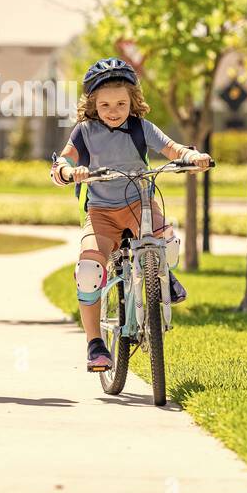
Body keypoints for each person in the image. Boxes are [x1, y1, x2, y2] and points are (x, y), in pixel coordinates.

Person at [49, 58, 211, 372]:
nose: (113, 110)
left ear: (133, 101)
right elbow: (62, 163)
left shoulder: (140, 127)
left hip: (140, 205)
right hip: (102, 213)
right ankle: (95, 344)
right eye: (106, 104)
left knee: (166, 237)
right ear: (93, 104)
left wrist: (193, 156)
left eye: (121, 103)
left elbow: (172, 149)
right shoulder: (85, 131)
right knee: (88, 272)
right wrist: (71, 171)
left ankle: (161, 275)